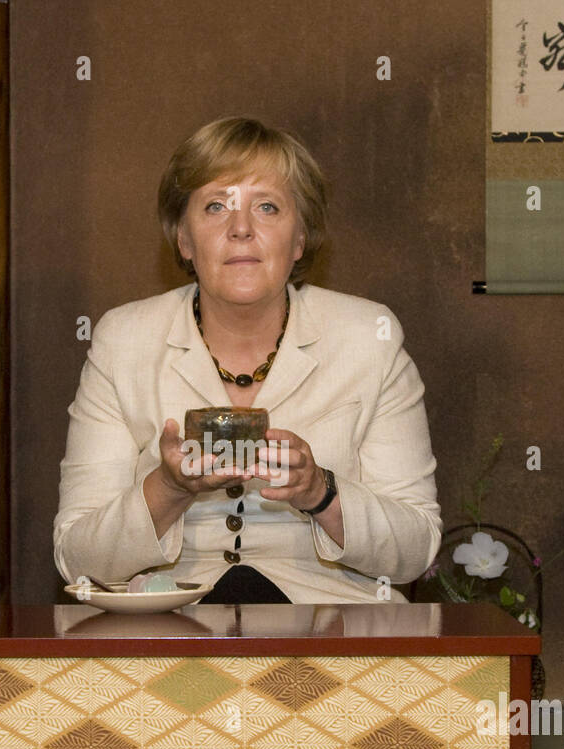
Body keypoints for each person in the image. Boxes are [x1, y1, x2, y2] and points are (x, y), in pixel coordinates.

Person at [53, 116, 441, 604]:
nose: (240, 229)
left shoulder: (369, 337)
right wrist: (169, 488)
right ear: (183, 239)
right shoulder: (123, 340)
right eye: (216, 206)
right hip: (172, 622)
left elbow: (417, 551)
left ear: (300, 240)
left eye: (267, 207)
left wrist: (319, 492)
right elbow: (77, 559)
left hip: (328, 626)